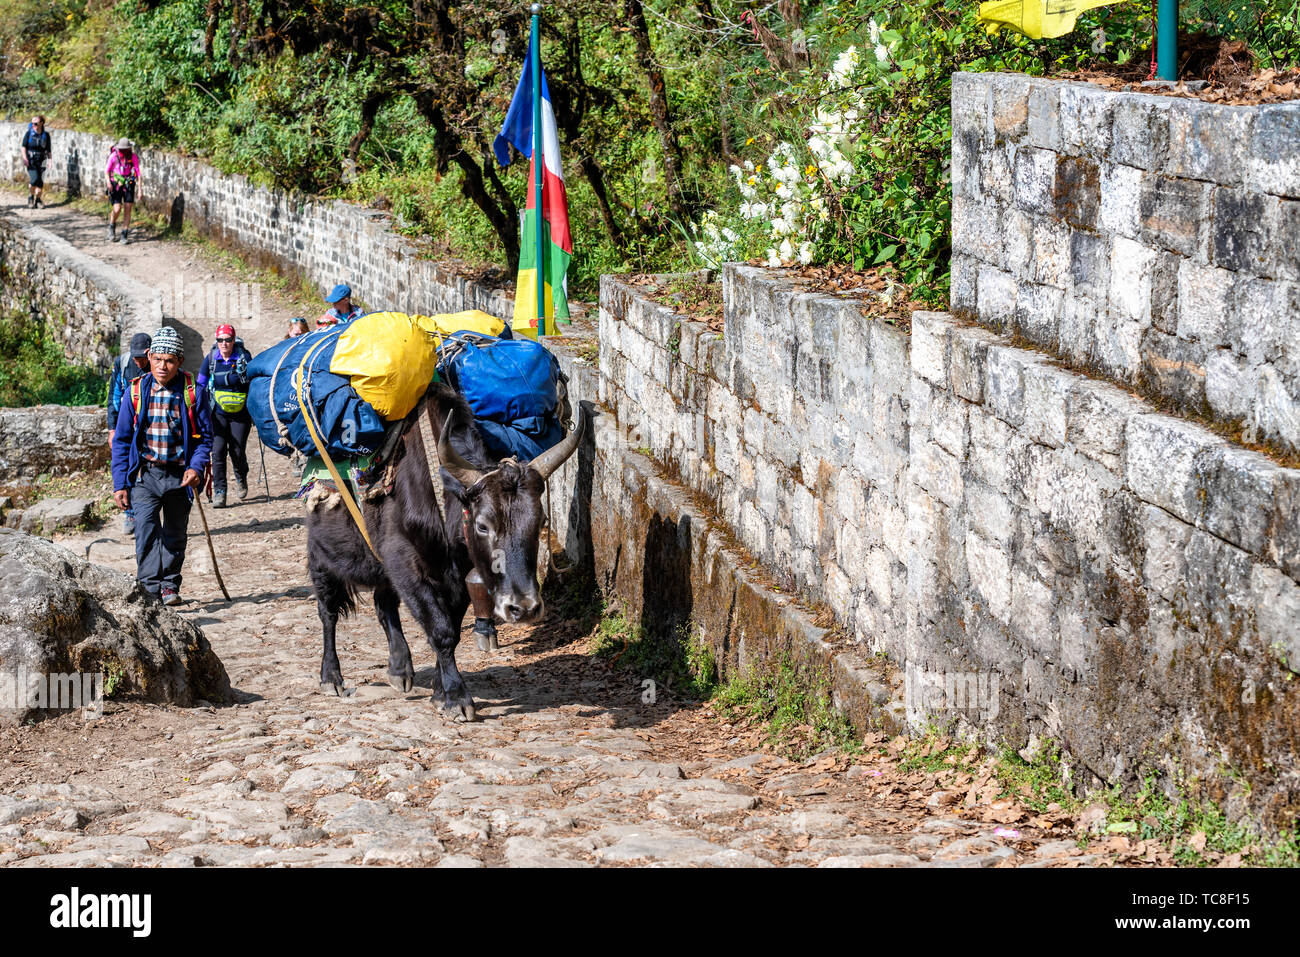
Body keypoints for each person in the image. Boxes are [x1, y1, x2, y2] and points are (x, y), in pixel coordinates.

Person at [111, 327, 211, 605]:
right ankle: (150, 589)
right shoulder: (135, 392)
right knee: (145, 531)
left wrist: (197, 467)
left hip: (180, 476)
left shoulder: (194, 393)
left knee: (175, 534)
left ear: (179, 361)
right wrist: (120, 483)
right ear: (149, 357)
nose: (162, 366)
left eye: (169, 360)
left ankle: (169, 584)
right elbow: (121, 440)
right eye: (157, 359)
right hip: (146, 475)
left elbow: (205, 439)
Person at [197, 324, 254, 508]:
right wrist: (196, 407)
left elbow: (252, 381)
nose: (224, 343)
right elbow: (201, 384)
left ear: (233, 340)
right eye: (220, 340)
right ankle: (220, 491)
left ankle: (241, 476)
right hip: (218, 413)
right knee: (218, 451)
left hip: (241, 413)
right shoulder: (211, 358)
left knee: (237, 451)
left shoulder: (244, 357)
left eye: (228, 339)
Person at [106, 332, 152, 535]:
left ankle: (149, 512)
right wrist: (112, 428)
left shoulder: (157, 366)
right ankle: (130, 513)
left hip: (150, 428)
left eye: (141, 357)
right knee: (128, 468)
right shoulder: (122, 364)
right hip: (128, 427)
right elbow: (114, 396)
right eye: (135, 357)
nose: (138, 361)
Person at [105, 138, 141, 245]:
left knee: (128, 207)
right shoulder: (113, 156)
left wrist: (140, 189)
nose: (124, 151)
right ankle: (112, 225)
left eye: (126, 149)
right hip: (115, 184)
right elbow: (106, 171)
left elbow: (138, 173)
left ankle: (124, 233)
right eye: (122, 149)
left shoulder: (133, 157)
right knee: (117, 209)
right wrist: (108, 183)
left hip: (129, 183)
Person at [20, 115, 50, 209]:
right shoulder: (29, 134)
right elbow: (23, 146)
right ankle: (30, 197)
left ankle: (38, 200)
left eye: (36, 123)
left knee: (40, 182)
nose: (34, 125)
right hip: (31, 161)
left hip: (42, 160)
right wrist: (25, 158)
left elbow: (48, 150)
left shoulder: (46, 135)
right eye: (32, 123)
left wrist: (50, 161)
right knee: (34, 179)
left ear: (41, 123)